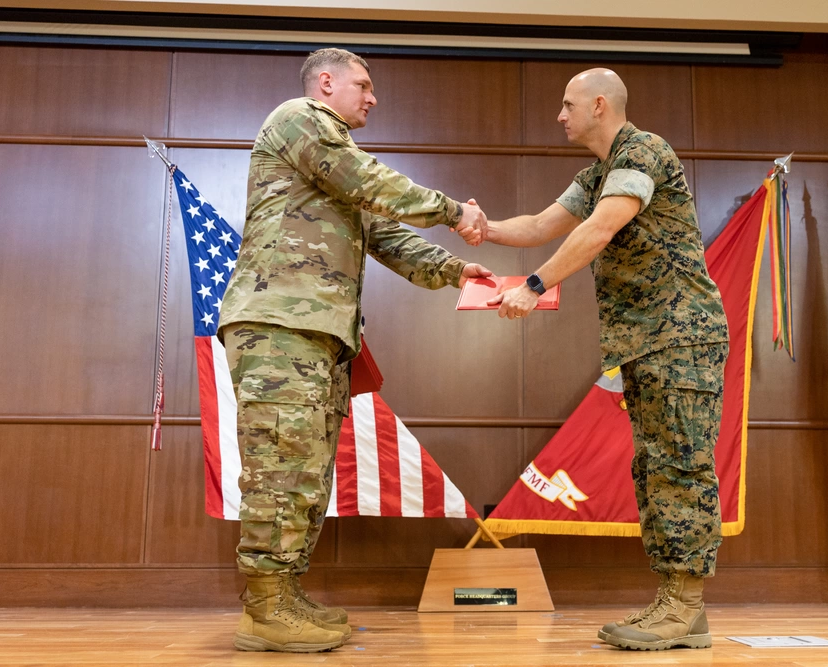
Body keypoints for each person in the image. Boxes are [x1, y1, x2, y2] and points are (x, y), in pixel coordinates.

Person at [218, 47, 490, 653]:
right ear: (326, 83)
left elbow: (386, 234)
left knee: (307, 471)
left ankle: (282, 593)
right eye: (363, 85)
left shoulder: (335, 165)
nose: (372, 97)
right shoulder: (300, 119)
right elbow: (369, 182)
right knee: (281, 466)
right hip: (279, 326)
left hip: (316, 334)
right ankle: (264, 607)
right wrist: (453, 212)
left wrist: (456, 271)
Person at [481, 68, 729, 651]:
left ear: (599, 105)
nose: (559, 116)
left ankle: (685, 604)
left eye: (567, 105)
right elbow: (541, 225)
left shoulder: (643, 151)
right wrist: (482, 228)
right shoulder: (598, 174)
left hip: (681, 337)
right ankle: (678, 604)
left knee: (680, 467)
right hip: (647, 344)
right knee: (656, 469)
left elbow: (601, 228)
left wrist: (534, 285)